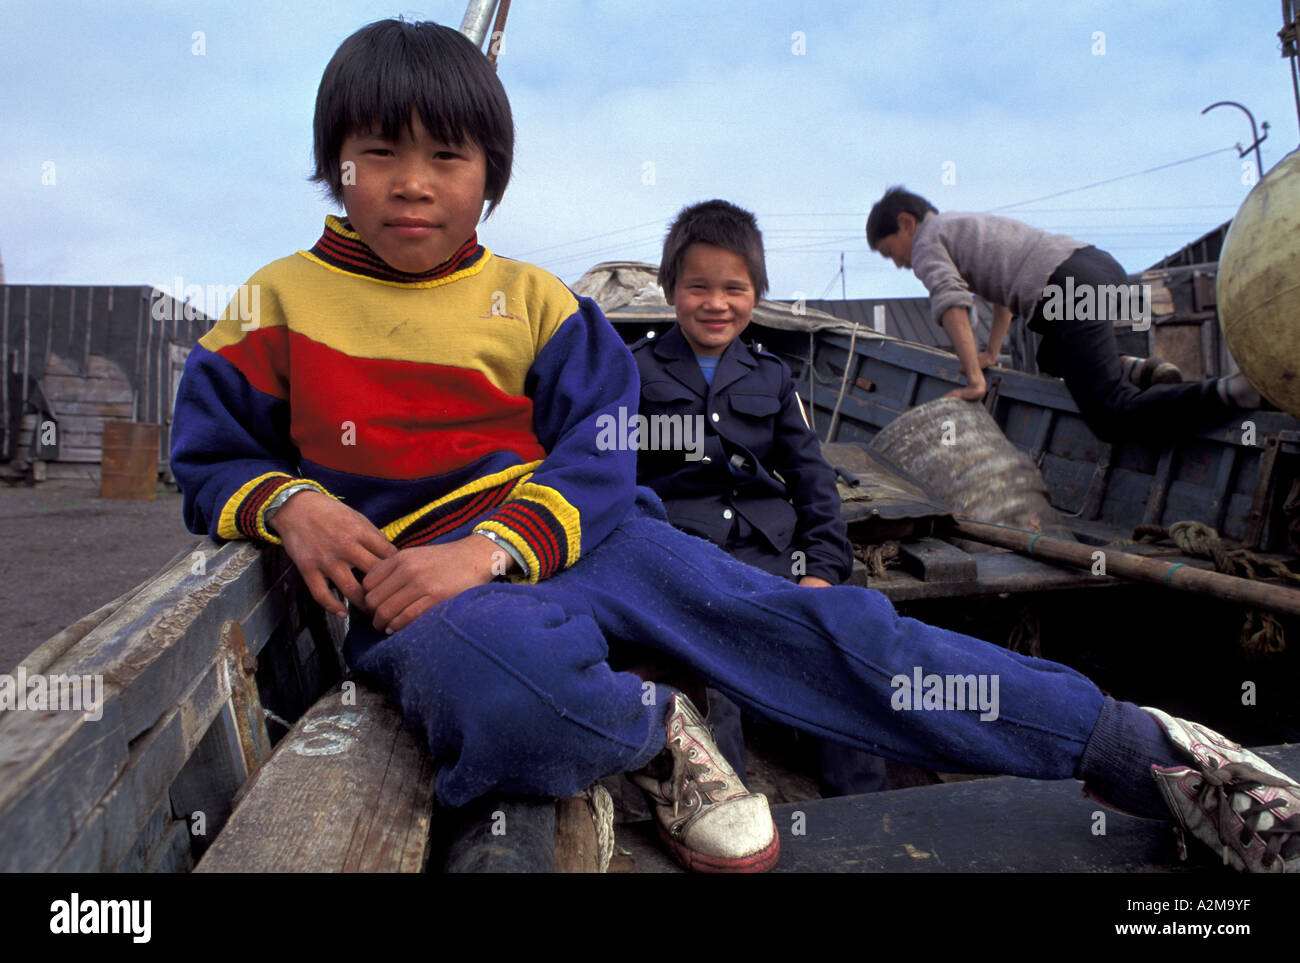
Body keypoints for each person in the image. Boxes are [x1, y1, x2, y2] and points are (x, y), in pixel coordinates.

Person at [170, 19, 1298, 874]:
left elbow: (603, 446)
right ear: (336, 165)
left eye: (447, 159)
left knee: (833, 631)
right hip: (427, 590)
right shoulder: (277, 301)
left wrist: (502, 543)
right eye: (380, 153)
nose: (413, 183)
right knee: (514, 706)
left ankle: (1150, 751)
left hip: (586, 540)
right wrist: (288, 504)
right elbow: (207, 455)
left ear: (489, 179)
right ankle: (656, 729)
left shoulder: (533, 302)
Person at [633, 198, 888, 796]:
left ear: (757, 293)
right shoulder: (634, 369)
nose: (716, 303)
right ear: (671, 288)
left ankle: (868, 815)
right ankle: (726, 809)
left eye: (735, 288)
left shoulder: (771, 376)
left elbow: (813, 479)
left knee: (836, 651)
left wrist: (823, 569)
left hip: (774, 556)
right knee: (706, 669)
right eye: (698, 286)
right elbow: (618, 478)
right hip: (685, 557)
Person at [864, 186, 1261, 442]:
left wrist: (973, 380)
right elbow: (1002, 301)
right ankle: (1135, 368)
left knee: (1110, 415)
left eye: (889, 251)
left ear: (906, 223)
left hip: (1067, 287)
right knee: (1052, 357)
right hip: (1099, 268)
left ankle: (1229, 392)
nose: (897, 263)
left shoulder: (927, 242)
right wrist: (991, 353)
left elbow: (950, 301)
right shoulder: (962, 225)